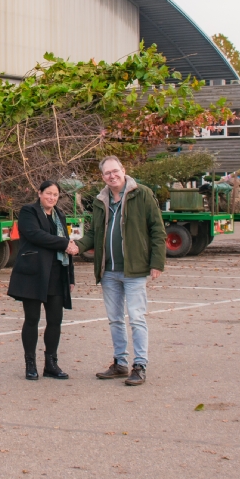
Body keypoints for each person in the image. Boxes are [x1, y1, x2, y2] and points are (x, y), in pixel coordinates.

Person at [76, 156, 166, 386]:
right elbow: (94, 233)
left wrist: (157, 262)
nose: (112, 176)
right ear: (102, 176)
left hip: (134, 270)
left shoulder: (142, 194)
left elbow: (157, 229)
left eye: (115, 171)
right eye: (107, 173)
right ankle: (120, 363)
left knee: (136, 318)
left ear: (124, 170)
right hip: (109, 272)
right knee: (115, 319)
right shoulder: (100, 200)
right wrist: (76, 246)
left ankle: (140, 365)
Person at [7, 180, 79, 380]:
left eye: (55, 195)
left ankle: (51, 363)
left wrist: (70, 276)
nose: (52, 198)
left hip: (57, 274)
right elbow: (35, 235)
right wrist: (65, 243)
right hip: (34, 273)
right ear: (39, 193)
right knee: (32, 319)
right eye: (48, 193)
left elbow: (67, 247)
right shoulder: (28, 211)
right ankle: (30, 364)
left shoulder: (60, 216)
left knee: (55, 320)